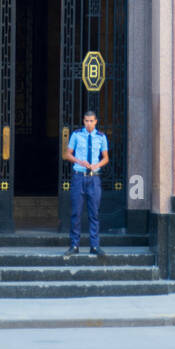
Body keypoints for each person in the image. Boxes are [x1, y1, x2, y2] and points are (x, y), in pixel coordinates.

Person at [63, 109, 109, 255]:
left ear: (96, 121)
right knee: (76, 212)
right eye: (86, 121)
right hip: (79, 177)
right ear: (83, 121)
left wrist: (97, 165)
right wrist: (79, 161)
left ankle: (94, 246)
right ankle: (74, 245)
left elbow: (106, 158)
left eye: (91, 121)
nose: (89, 124)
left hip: (94, 178)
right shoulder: (76, 135)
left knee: (94, 213)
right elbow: (67, 154)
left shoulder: (101, 137)